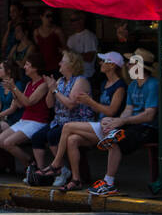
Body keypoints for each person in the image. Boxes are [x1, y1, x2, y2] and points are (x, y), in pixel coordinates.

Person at [33, 52, 126, 191]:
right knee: (72, 139)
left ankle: (56, 164)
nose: (99, 63)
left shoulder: (119, 86)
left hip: (110, 128)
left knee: (67, 127)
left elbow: (111, 111)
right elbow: (49, 105)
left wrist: (90, 102)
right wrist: (51, 89)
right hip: (100, 125)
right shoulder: (104, 83)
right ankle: (76, 179)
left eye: (103, 61)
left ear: (112, 65)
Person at [89, 48, 159, 195]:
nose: (127, 66)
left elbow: (149, 115)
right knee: (112, 133)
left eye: (131, 63)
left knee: (115, 139)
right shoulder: (133, 85)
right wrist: (114, 121)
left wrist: (122, 121)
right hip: (133, 126)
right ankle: (108, 182)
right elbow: (128, 109)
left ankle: (109, 183)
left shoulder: (153, 84)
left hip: (148, 128)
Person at [26, 51, 93, 185]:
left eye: (62, 61)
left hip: (76, 122)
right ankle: (40, 174)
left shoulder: (80, 81)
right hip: (59, 121)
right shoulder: (60, 81)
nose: (59, 64)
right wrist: (51, 89)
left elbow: (70, 104)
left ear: (71, 64)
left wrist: (55, 90)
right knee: (37, 137)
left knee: (53, 135)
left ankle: (61, 170)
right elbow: (49, 104)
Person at [0, 53, 52, 178]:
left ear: (35, 68)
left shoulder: (43, 84)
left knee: (8, 142)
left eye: (27, 65)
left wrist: (14, 88)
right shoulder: (29, 84)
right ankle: (30, 162)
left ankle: (29, 165)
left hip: (37, 121)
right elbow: (20, 104)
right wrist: (14, 91)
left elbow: (28, 102)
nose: (24, 67)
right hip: (25, 119)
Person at [65, 11, 99, 79]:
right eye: (71, 20)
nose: (71, 23)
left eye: (74, 20)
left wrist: (71, 53)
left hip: (86, 75)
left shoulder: (89, 36)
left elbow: (89, 58)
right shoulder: (70, 38)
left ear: (82, 20)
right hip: (74, 75)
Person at [33, 9, 64, 74]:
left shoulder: (57, 31)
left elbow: (64, 47)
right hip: (42, 67)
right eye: (48, 16)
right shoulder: (36, 32)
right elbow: (38, 49)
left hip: (56, 66)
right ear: (41, 17)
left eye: (51, 16)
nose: (50, 18)